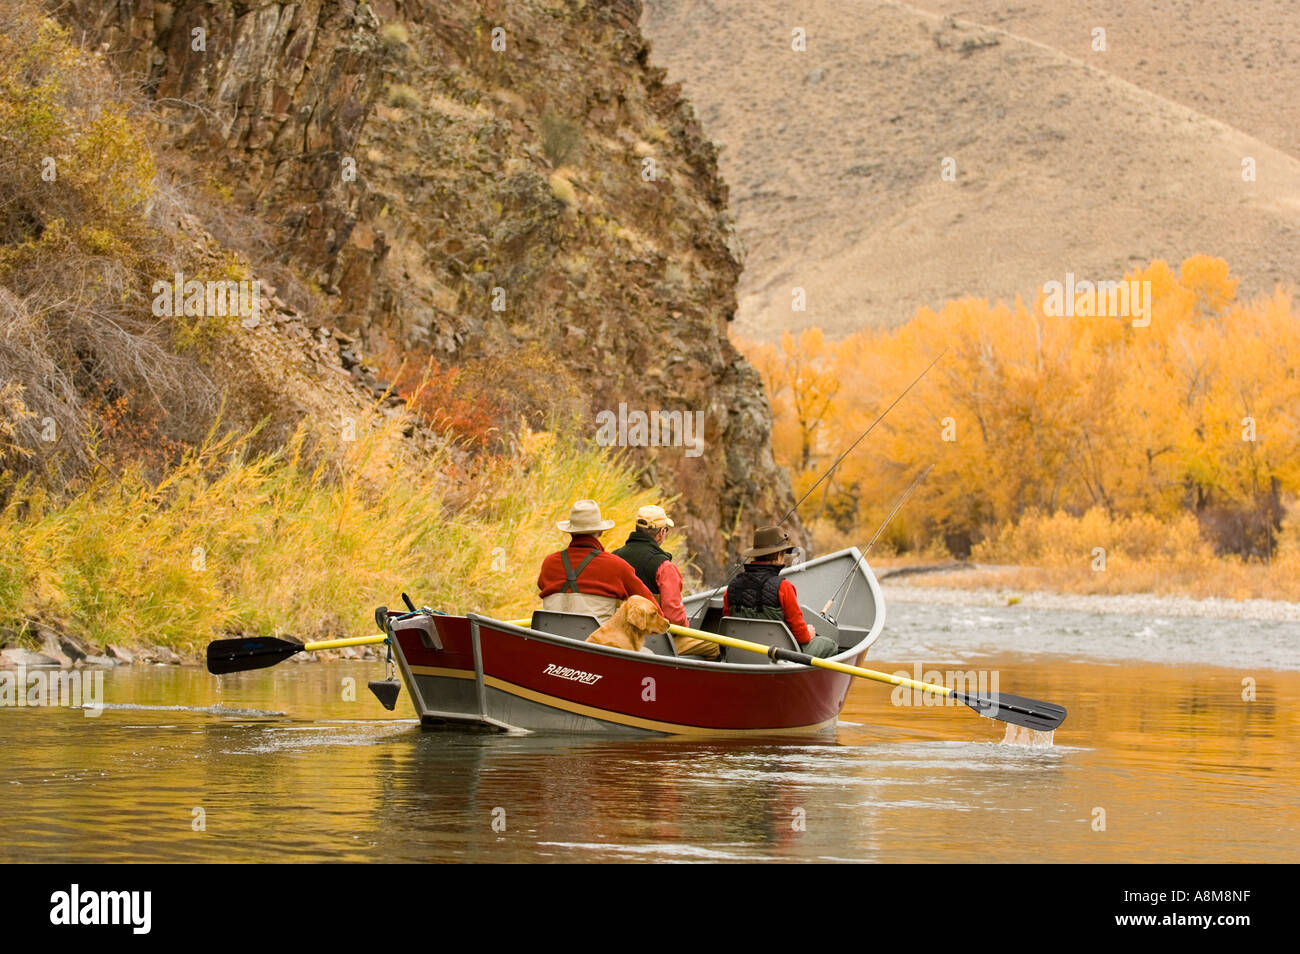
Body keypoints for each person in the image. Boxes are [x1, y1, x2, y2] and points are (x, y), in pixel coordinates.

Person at [613, 505, 720, 660]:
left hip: (620, 635)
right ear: (661, 533)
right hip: (655, 641)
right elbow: (674, 619)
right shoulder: (664, 567)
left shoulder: (614, 557)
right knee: (715, 645)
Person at [723, 525, 839, 658]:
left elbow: (727, 627)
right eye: (783, 554)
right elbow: (802, 637)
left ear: (755, 556)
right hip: (779, 657)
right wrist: (808, 633)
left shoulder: (731, 587)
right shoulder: (784, 587)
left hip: (740, 655)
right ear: (778, 556)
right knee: (830, 645)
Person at [538, 500, 661, 624]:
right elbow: (654, 612)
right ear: (601, 531)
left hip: (551, 638)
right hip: (595, 642)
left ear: (570, 532)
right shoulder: (616, 566)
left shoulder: (549, 563)